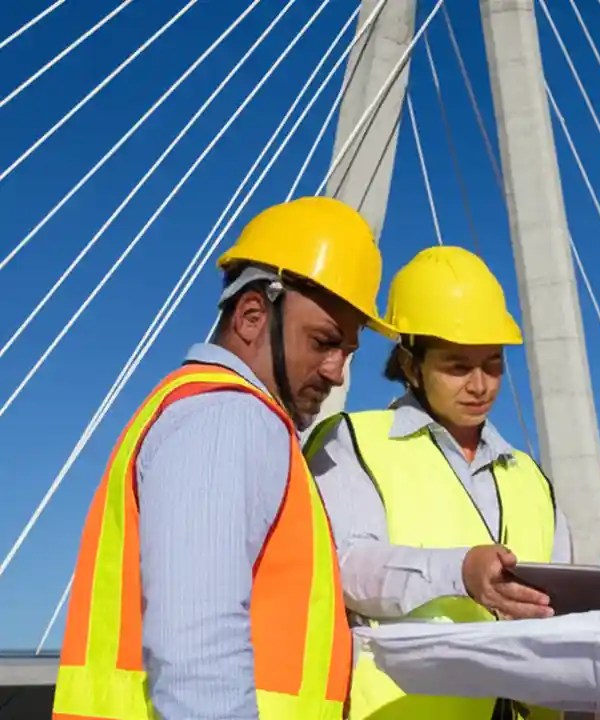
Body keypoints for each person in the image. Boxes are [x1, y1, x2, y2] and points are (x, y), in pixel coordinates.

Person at [51, 196, 394, 719]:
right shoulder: (227, 418)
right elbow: (198, 655)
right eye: (324, 342)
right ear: (253, 316)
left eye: (348, 352)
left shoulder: (206, 412)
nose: (337, 372)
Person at [306, 245, 570, 720]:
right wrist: (460, 573)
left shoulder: (532, 479)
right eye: (457, 365)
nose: (480, 385)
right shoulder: (353, 442)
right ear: (410, 365)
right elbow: (345, 568)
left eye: (492, 364)